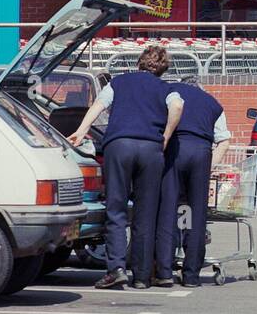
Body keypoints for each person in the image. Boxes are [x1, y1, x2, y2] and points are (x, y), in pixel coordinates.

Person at [70, 46, 183, 290]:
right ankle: (142, 276)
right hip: (151, 149)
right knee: (146, 212)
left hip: (119, 145)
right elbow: (177, 107)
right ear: (163, 69)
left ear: (140, 62)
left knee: (116, 208)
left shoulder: (119, 82)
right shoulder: (167, 88)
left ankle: (116, 269)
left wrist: (81, 131)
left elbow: (99, 105)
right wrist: (165, 136)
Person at [158, 82, 231, 287]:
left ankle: (164, 270)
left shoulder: (169, 94)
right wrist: (209, 165)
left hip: (176, 149)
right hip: (201, 153)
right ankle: (191, 275)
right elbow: (224, 141)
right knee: (197, 214)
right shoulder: (212, 103)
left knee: (168, 210)